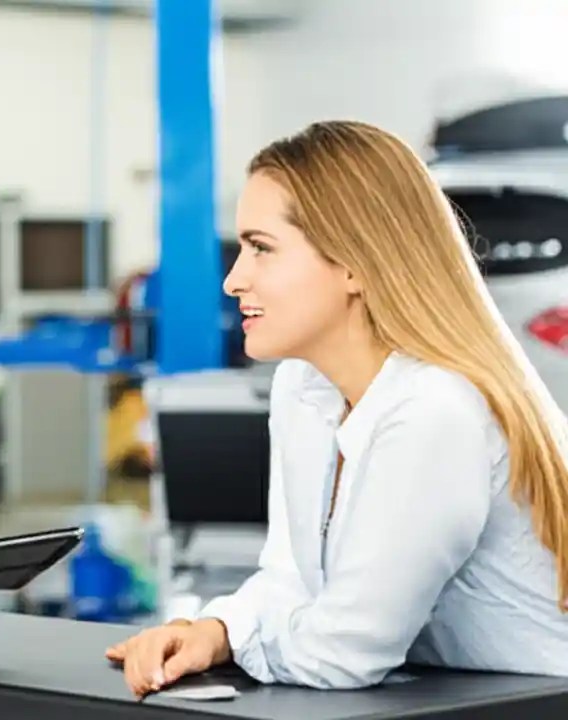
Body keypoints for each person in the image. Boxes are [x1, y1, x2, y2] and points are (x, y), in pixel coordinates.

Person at [107, 120, 568, 696]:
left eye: (261, 249)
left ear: (353, 264)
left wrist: (240, 639)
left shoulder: (435, 409)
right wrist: (215, 628)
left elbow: (343, 653)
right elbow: (291, 582)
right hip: (444, 699)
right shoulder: (303, 388)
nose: (233, 280)